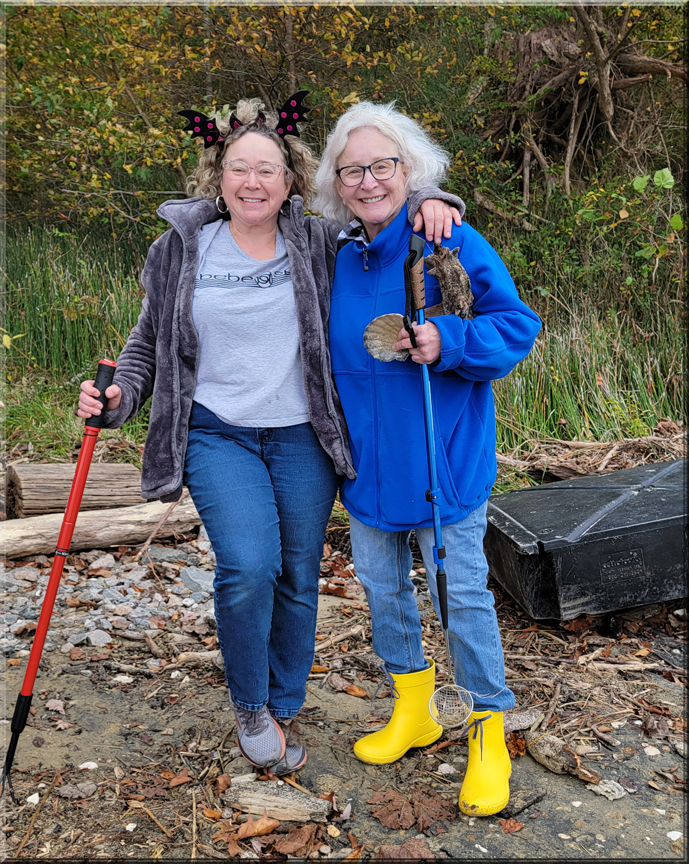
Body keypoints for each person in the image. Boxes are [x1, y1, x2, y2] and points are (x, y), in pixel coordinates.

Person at [77, 95, 462, 776]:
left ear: (291, 181)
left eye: (267, 170)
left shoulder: (318, 242)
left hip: (301, 435)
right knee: (249, 565)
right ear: (217, 178)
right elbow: (147, 345)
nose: (252, 182)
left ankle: (282, 704)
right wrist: (116, 399)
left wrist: (433, 196)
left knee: (297, 575)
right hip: (216, 433)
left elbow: (383, 213)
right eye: (238, 169)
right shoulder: (178, 249)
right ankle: (250, 705)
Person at [314, 101, 542, 814]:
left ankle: (485, 730)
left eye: (382, 165)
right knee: (384, 593)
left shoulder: (449, 241)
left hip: (443, 466)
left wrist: (448, 343)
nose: (367, 180)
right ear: (336, 183)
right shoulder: (334, 253)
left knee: (462, 598)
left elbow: (515, 325)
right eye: (351, 169)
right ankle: (413, 709)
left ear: (409, 170)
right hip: (368, 469)